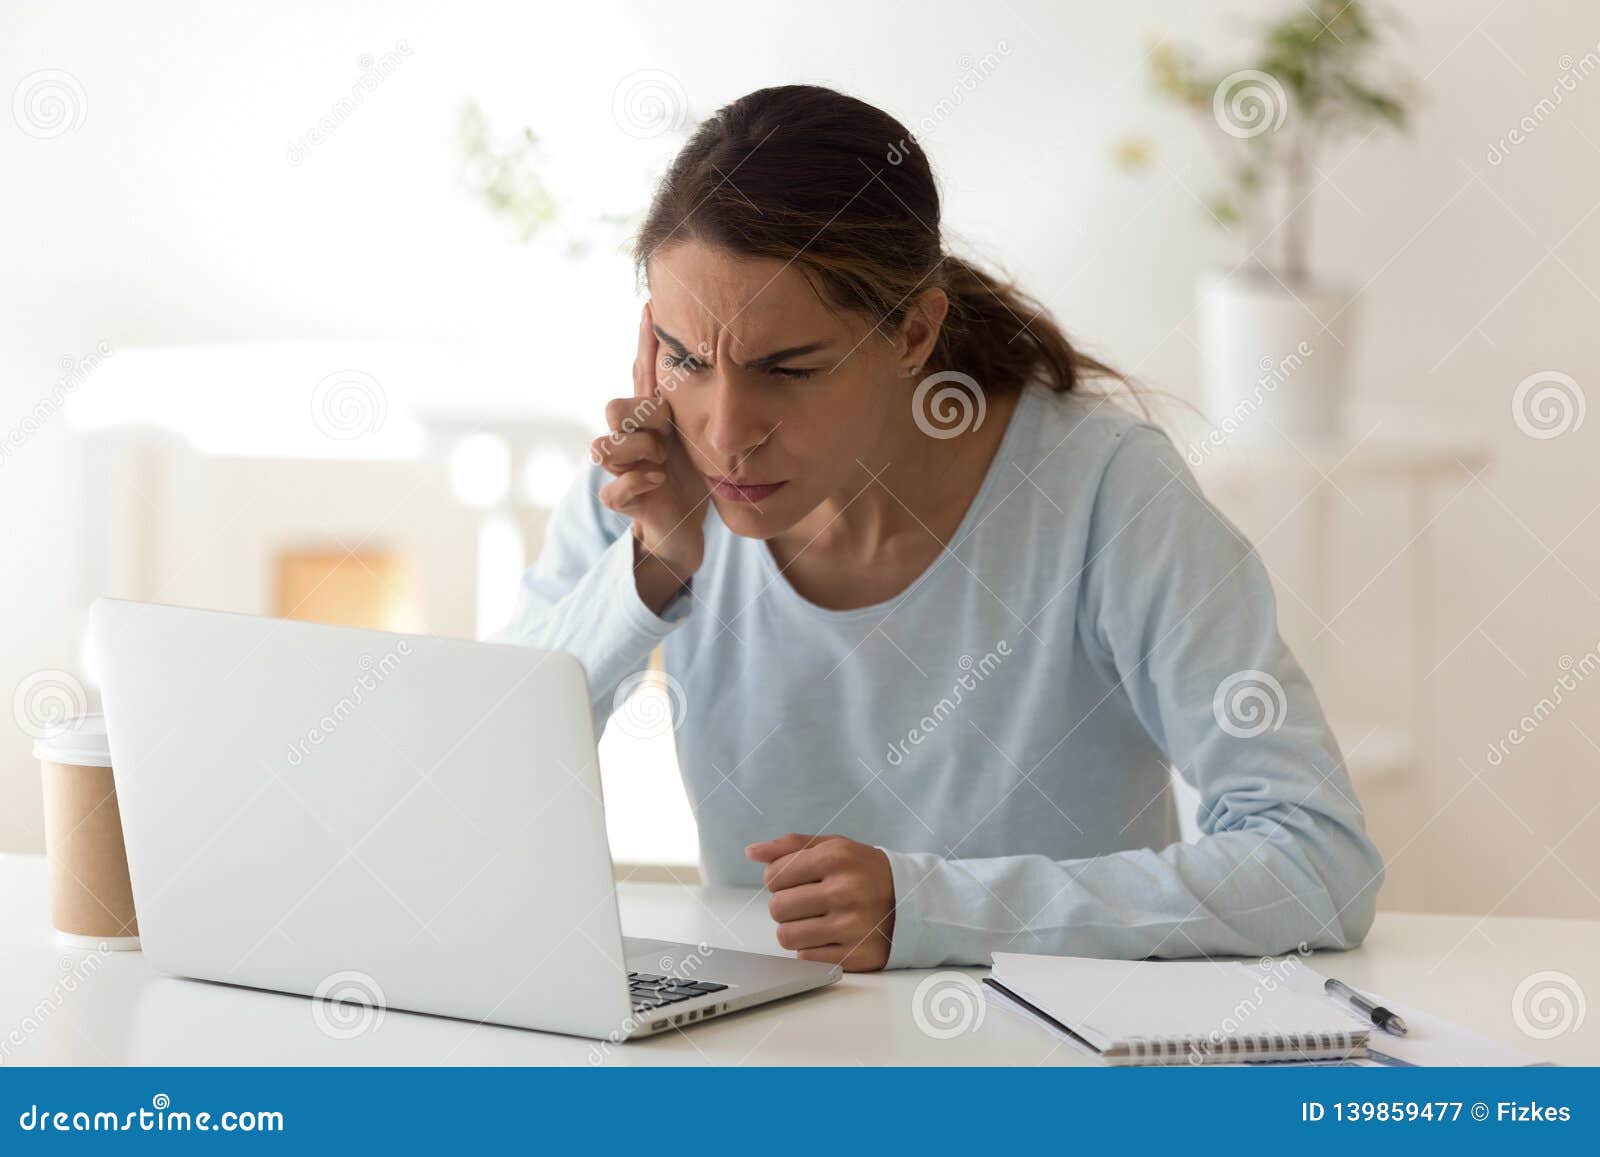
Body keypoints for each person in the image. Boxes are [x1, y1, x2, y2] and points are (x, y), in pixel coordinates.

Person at [493, 84, 1384, 970]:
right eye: (686, 358)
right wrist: (651, 570)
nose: (725, 431)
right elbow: (473, 781)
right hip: (775, 1057)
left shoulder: (1105, 493)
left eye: (788, 368)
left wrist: (936, 909)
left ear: (914, 332)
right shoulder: (649, 485)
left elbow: (1316, 859)